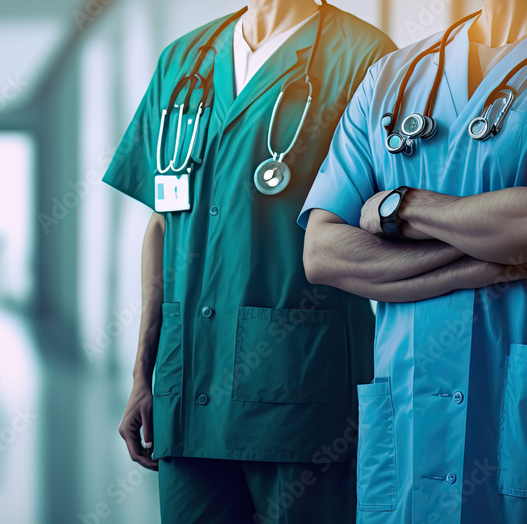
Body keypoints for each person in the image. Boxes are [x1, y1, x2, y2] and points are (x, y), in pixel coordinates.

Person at [102, 1, 395, 522]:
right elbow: (163, 224)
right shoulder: (184, 60)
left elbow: (386, 222)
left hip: (301, 393)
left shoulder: (365, 58)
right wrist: (143, 373)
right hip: (187, 392)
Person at [299, 2, 527, 522]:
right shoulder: (393, 76)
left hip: (507, 414)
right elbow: (322, 251)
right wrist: (477, 260)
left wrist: (404, 206)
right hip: (407, 423)